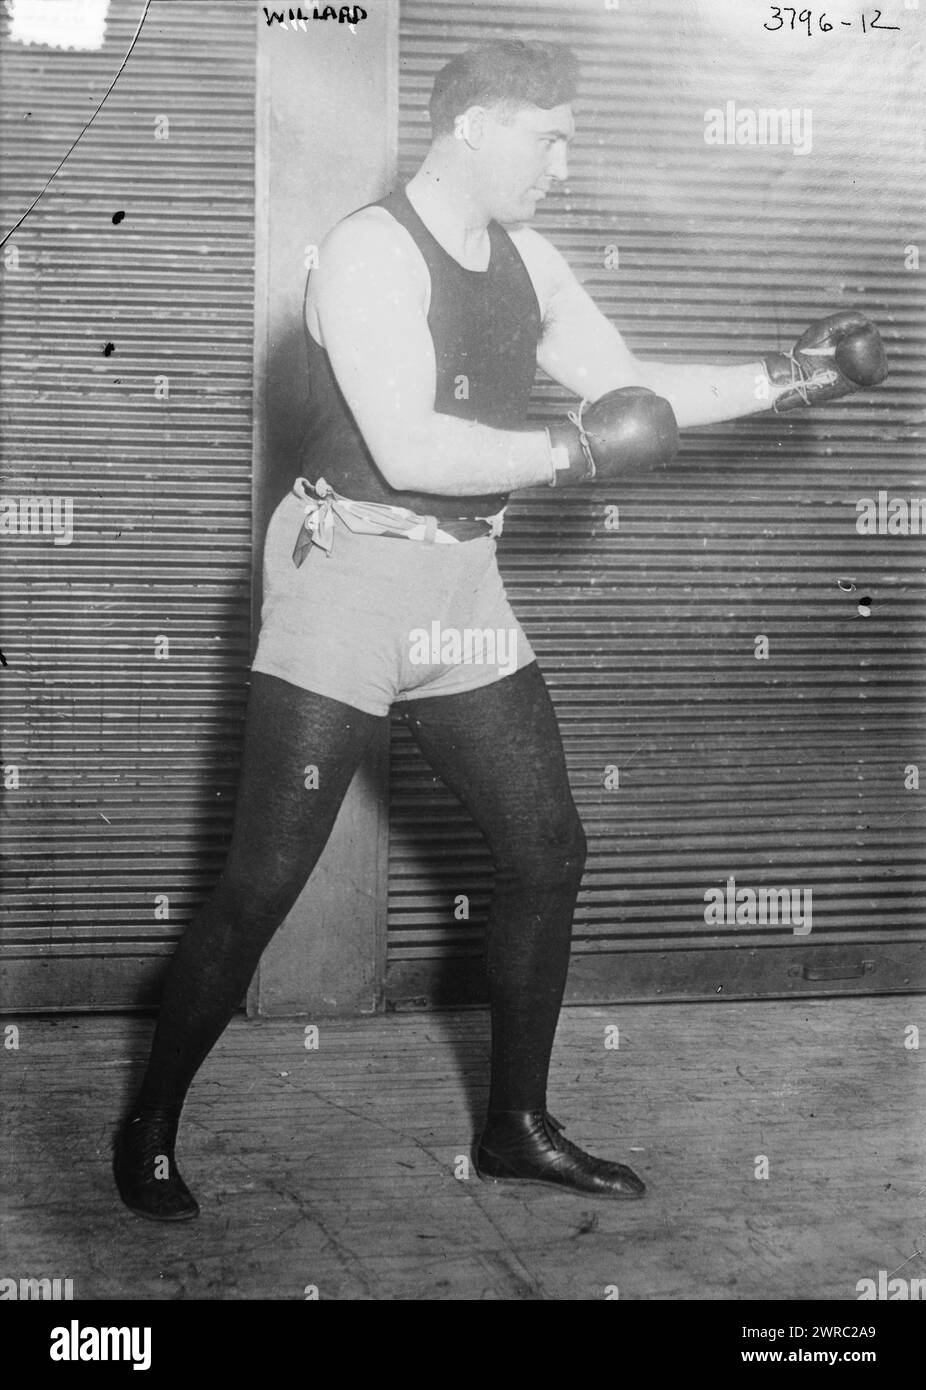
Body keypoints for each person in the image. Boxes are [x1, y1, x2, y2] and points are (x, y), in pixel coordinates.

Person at [113, 39, 887, 1220]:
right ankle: (152, 1121)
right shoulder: (367, 254)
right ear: (472, 129)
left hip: (461, 590)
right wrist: (574, 450)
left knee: (546, 849)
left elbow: (622, 384)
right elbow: (415, 449)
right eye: (549, 138)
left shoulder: (524, 256)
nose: (564, 166)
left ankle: (515, 1126)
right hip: (350, 580)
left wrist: (789, 374)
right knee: (265, 877)